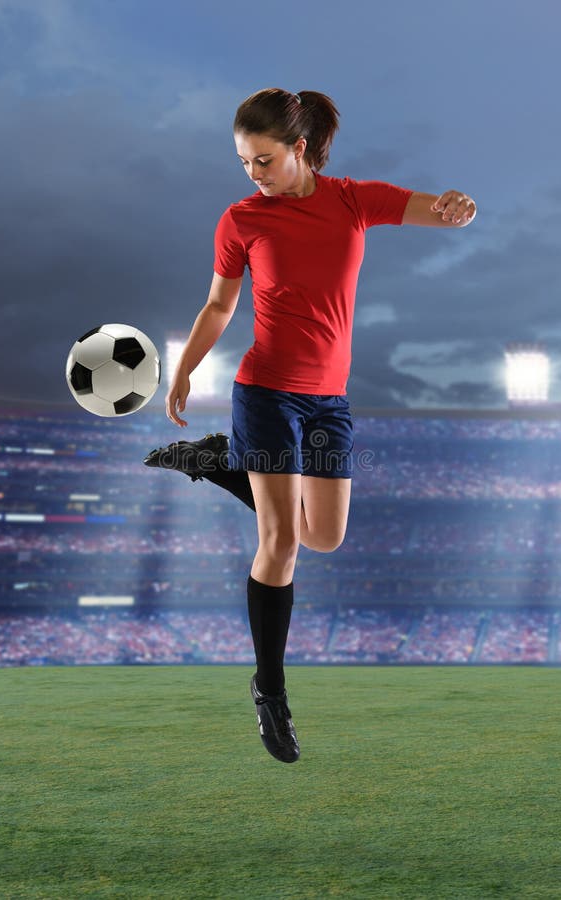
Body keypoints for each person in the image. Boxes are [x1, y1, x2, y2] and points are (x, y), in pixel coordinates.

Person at [144, 87, 476, 764]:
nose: (253, 174)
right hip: (264, 391)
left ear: (299, 149)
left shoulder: (354, 200)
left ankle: (218, 462)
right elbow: (217, 305)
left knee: (322, 535)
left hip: (328, 400)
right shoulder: (240, 220)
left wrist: (458, 208)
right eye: (243, 162)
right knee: (280, 541)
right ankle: (270, 693)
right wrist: (183, 371)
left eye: (263, 160)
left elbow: (436, 212)